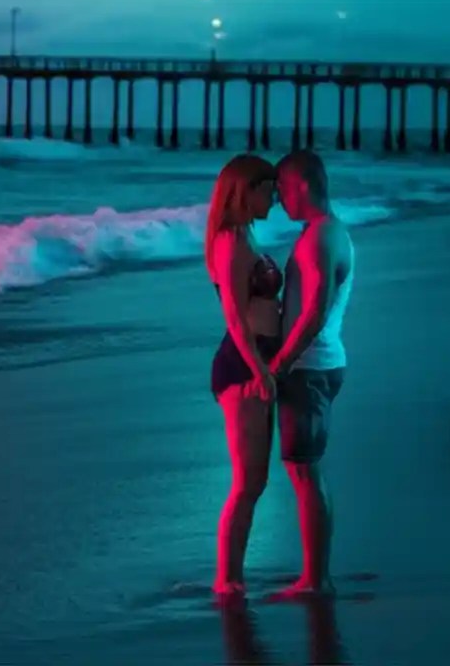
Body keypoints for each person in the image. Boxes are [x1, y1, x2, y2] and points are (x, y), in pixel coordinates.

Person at [269, 149, 356, 598]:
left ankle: (315, 579)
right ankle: (314, 573)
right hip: (317, 366)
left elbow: (315, 312)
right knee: (306, 472)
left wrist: (280, 363)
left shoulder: (322, 236)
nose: (279, 200)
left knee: (305, 474)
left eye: (282, 189)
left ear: (302, 185)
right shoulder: (327, 231)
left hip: (310, 369)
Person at [204, 154, 282, 600]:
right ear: (244, 191)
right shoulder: (230, 242)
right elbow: (234, 315)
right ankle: (227, 579)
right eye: (268, 190)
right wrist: (260, 370)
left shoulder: (246, 236)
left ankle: (234, 574)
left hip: (259, 360)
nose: (275, 199)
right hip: (242, 365)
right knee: (247, 481)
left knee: (257, 480)